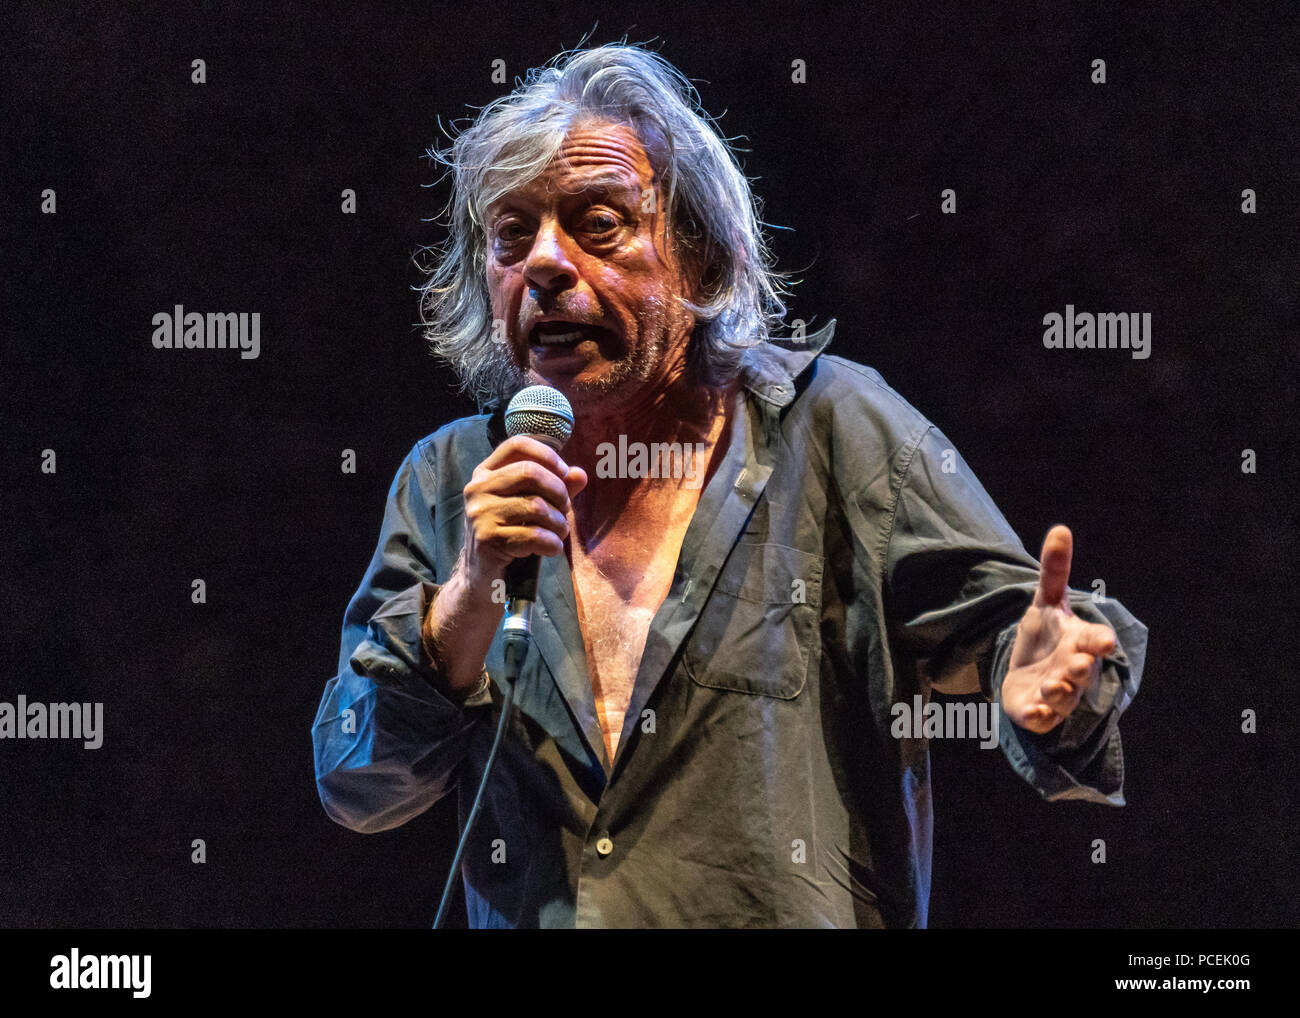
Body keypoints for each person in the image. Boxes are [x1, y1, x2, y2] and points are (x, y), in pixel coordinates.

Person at [311, 43, 1147, 928]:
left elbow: (1033, 648)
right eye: (511, 236)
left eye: (597, 224)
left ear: (702, 262)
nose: (545, 265)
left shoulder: (834, 431)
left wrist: (1052, 677)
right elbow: (357, 782)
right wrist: (469, 598)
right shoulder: (447, 482)